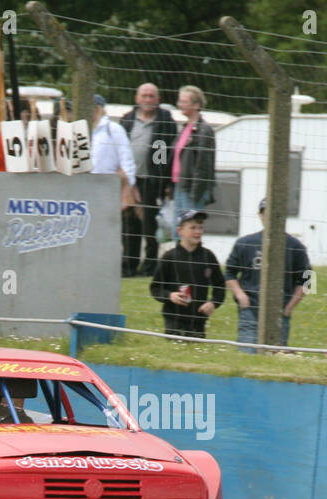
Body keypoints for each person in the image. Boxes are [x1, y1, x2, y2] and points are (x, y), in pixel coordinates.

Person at [224, 198, 311, 348]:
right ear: (260, 215)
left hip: (280, 312)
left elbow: (308, 280)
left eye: (275, 214)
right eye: (266, 213)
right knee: (247, 353)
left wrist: (289, 307)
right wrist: (240, 295)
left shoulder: (295, 247)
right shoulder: (245, 243)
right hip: (249, 310)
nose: (270, 218)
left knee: (275, 355)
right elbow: (229, 272)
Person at [120, 82, 176, 276]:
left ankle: (150, 266)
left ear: (158, 100)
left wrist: (164, 182)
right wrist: (127, 181)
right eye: (144, 95)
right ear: (137, 99)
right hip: (128, 180)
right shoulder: (127, 120)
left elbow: (163, 156)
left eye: (151, 96)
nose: (147, 99)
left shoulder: (164, 122)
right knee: (128, 224)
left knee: (149, 225)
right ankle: (128, 264)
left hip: (151, 182)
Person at [150, 209, 225, 338]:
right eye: (193, 228)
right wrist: (170, 295)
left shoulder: (208, 256)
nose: (198, 232)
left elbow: (220, 285)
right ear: (180, 231)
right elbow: (155, 288)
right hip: (174, 318)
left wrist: (213, 303)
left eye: (200, 228)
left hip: (199, 319)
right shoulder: (169, 257)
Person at [89, 93, 137, 273]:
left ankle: (111, 266)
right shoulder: (84, 129)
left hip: (109, 187)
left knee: (111, 230)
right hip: (88, 187)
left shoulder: (113, 129)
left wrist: (127, 188)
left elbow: (127, 160)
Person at [171, 85, 216, 217]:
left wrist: (196, 193)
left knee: (190, 226)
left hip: (191, 189)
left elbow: (203, 164)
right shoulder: (184, 128)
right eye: (180, 101)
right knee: (178, 230)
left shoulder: (204, 130)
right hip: (179, 186)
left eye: (184, 102)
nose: (180, 105)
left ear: (197, 105)